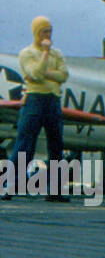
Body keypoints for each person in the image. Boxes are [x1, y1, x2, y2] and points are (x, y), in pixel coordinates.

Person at [3, 17, 69, 201]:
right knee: (25, 144)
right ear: (36, 32)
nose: (48, 35)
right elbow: (35, 73)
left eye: (49, 31)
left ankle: (55, 190)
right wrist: (46, 57)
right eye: (44, 31)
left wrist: (46, 74)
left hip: (53, 100)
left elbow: (63, 75)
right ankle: (9, 186)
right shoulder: (27, 53)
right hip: (34, 100)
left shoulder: (58, 53)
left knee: (56, 146)